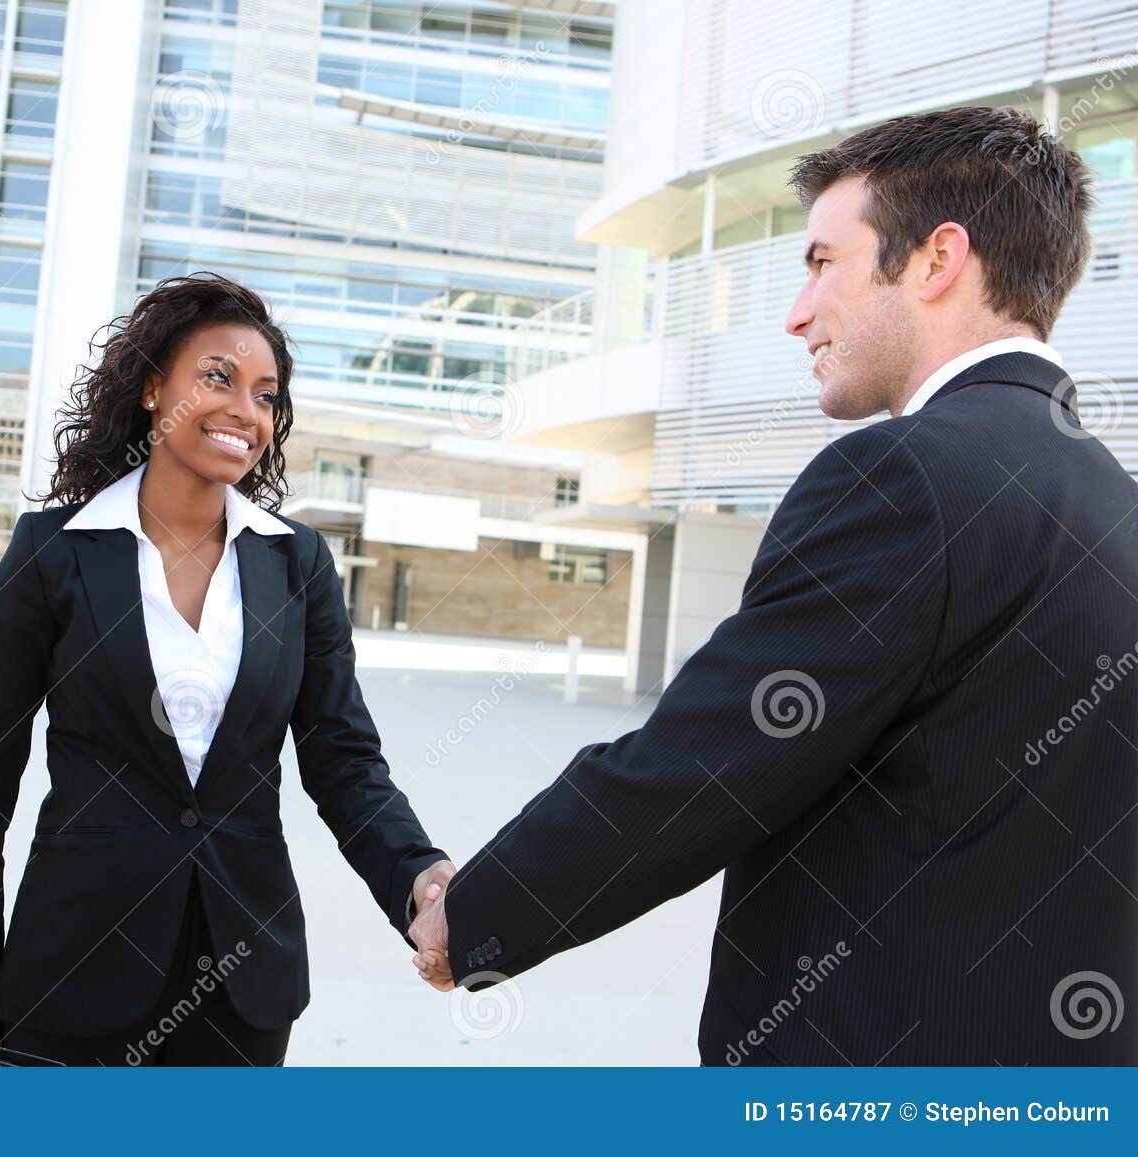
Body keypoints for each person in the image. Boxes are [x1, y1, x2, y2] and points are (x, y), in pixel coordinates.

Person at [409, 106, 1138, 1065]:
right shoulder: (1114, 501)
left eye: (821, 261)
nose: (799, 311)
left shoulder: (906, 477)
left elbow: (706, 758)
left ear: (936, 260)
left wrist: (477, 911)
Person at [0, 273, 452, 1066]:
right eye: (217, 376)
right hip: (73, 972)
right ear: (155, 388)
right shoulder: (52, 553)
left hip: (244, 984)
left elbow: (343, 758)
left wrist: (419, 874)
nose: (245, 411)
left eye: (266, 395)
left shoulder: (297, 564)